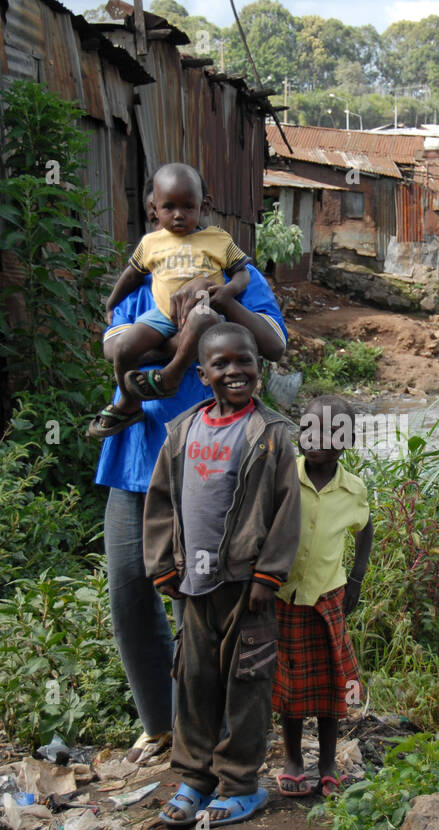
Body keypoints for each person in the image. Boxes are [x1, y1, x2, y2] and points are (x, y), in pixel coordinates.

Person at [96, 267, 287, 765]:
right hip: (135, 459)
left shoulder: (242, 280)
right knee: (130, 595)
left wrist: (215, 304)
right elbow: (118, 352)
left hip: (210, 469)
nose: (178, 223)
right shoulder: (142, 283)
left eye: (190, 210)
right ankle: (159, 725)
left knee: (199, 605)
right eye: (166, 210)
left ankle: (205, 738)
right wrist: (184, 333)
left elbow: (268, 346)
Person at [144, 322, 301, 827]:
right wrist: (162, 563)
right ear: (202, 373)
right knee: (194, 681)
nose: (234, 371)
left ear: (260, 367)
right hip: (193, 586)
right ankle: (195, 777)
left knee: (246, 684)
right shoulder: (182, 430)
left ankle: (240, 783)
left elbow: (286, 510)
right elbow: (162, 501)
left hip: (246, 588)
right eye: (221, 364)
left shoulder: (272, 434)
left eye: (244, 361)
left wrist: (267, 576)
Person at [88, 163, 253, 437]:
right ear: (155, 208)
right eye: (169, 208)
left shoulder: (218, 239)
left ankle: (171, 376)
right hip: (163, 316)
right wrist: (111, 303)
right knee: (125, 347)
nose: (179, 215)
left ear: (204, 205)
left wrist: (229, 291)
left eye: (188, 207)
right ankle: (129, 403)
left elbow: (242, 273)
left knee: (205, 317)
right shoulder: (151, 243)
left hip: (203, 314)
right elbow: (131, 276)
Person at [272, 395, 373, 799]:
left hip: (327, 597)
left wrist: (357, 579)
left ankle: (329, 764)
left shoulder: (354, 490)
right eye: (310, 428)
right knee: (291, 686)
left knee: (333, 684)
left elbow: (364, 529)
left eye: (332, 431)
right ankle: (294, 760)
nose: (319, 438)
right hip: (284, 596)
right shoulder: (282, 476)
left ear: (347, 440)